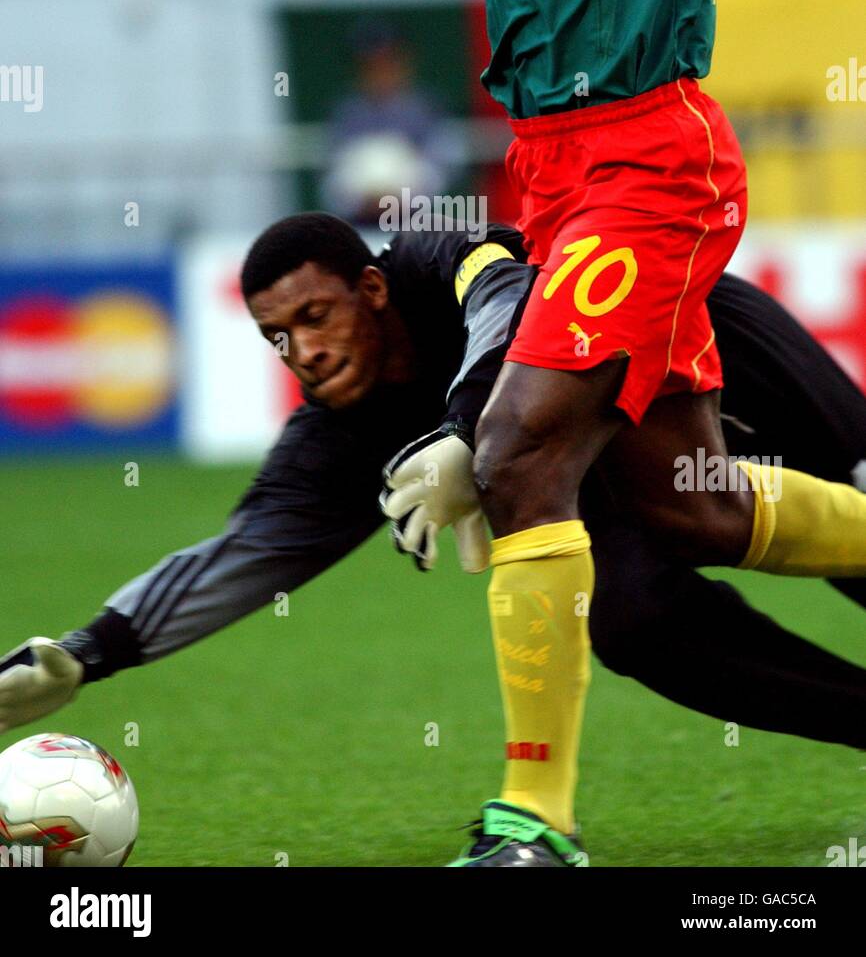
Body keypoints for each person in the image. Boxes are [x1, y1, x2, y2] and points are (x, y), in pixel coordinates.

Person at [302, 0, 866, 865]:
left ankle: (532, 826)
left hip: (644, 158)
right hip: (554, 170)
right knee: (688, 503)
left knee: (511, 460)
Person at [3, 214, 866, 867]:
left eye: (314, 316)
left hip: (706, 346)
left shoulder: (429, 262)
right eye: (277, 337)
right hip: (607, 463)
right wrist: (89, 653)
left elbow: (516, 300)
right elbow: (243, 556)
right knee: (637, 621)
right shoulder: (337, 437)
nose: (301, 351)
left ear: (370, 293)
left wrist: (465, 430)